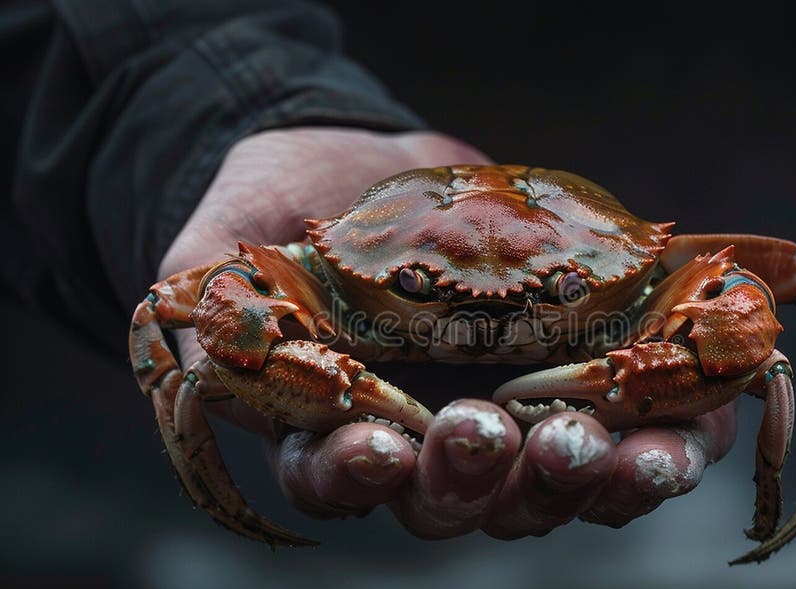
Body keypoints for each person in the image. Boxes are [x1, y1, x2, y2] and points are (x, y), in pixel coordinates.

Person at [1, 1, 736, 541]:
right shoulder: (316, 278)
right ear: (338, 257)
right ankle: (216, 499)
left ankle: (789, 491)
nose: (484, 315)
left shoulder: (654, 282)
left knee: (758, 316)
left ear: (632, 268)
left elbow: (742, 308)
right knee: (185, 335)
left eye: (564, 290)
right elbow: (192, 311)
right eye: (420, 286)